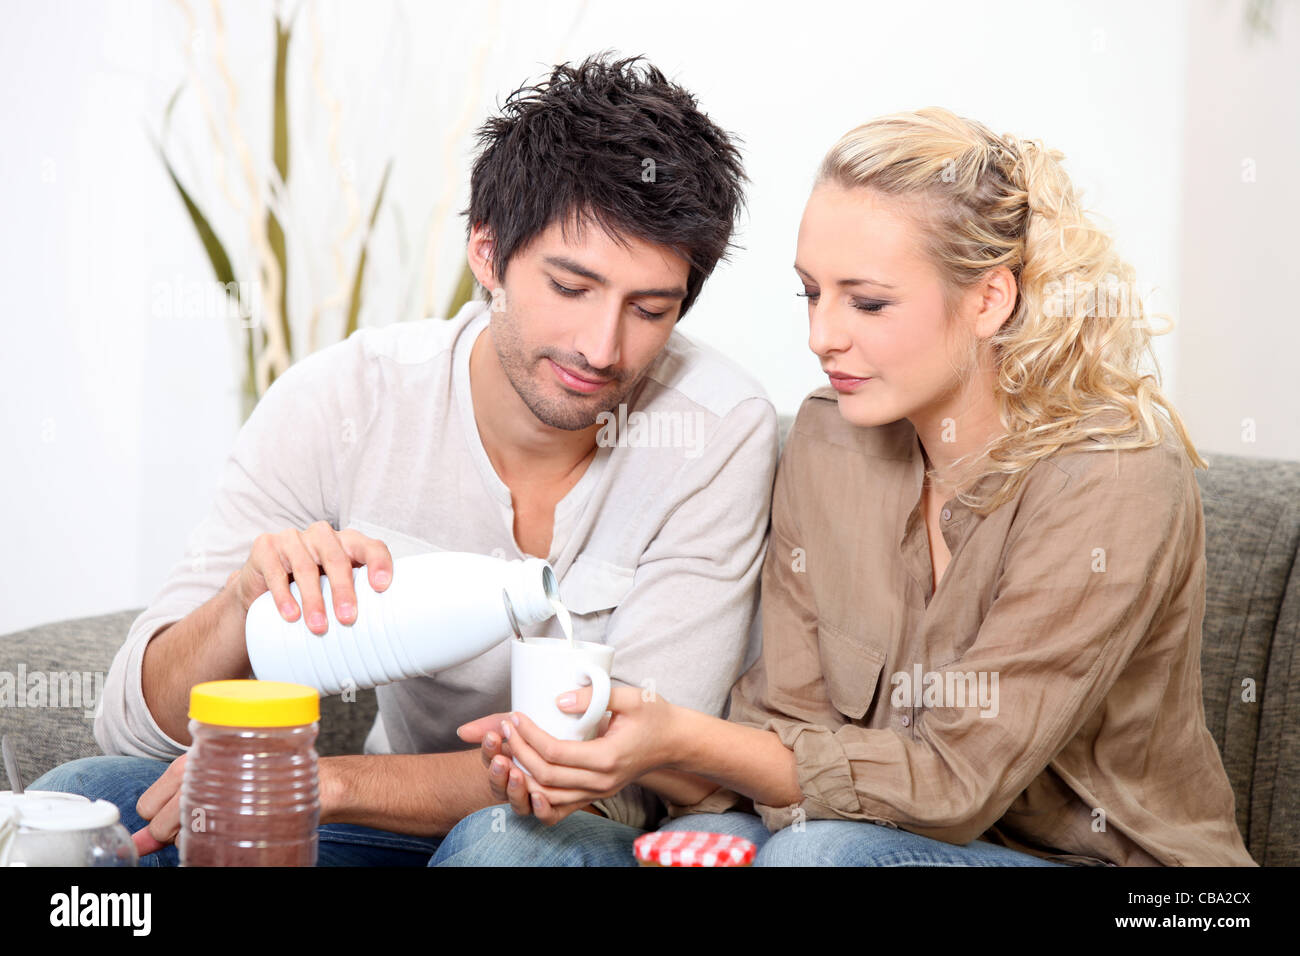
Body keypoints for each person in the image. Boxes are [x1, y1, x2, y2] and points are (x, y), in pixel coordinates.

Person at [434, 106, 1257, 867]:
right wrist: (618, 748)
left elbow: (954, 785)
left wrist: (676, 737)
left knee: (816, 857)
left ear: (988, 299)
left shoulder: (1112, 480)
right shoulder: (831, 441)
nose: (822, 336)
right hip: (843, 832)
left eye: (867, 303)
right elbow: (782, 726)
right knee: (510, 839)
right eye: (812, 293)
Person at [30, 53, 779, 865]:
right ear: (487, 255)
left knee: (503, 845)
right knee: (91, 793)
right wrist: (244, 601)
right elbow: (135, 724)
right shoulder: (345, 398)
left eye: (649, 309)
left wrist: (338, 783)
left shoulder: (716, 430)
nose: (602, 348)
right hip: (387, 828)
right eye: (570, 287)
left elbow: (615, 771)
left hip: (570, 832)